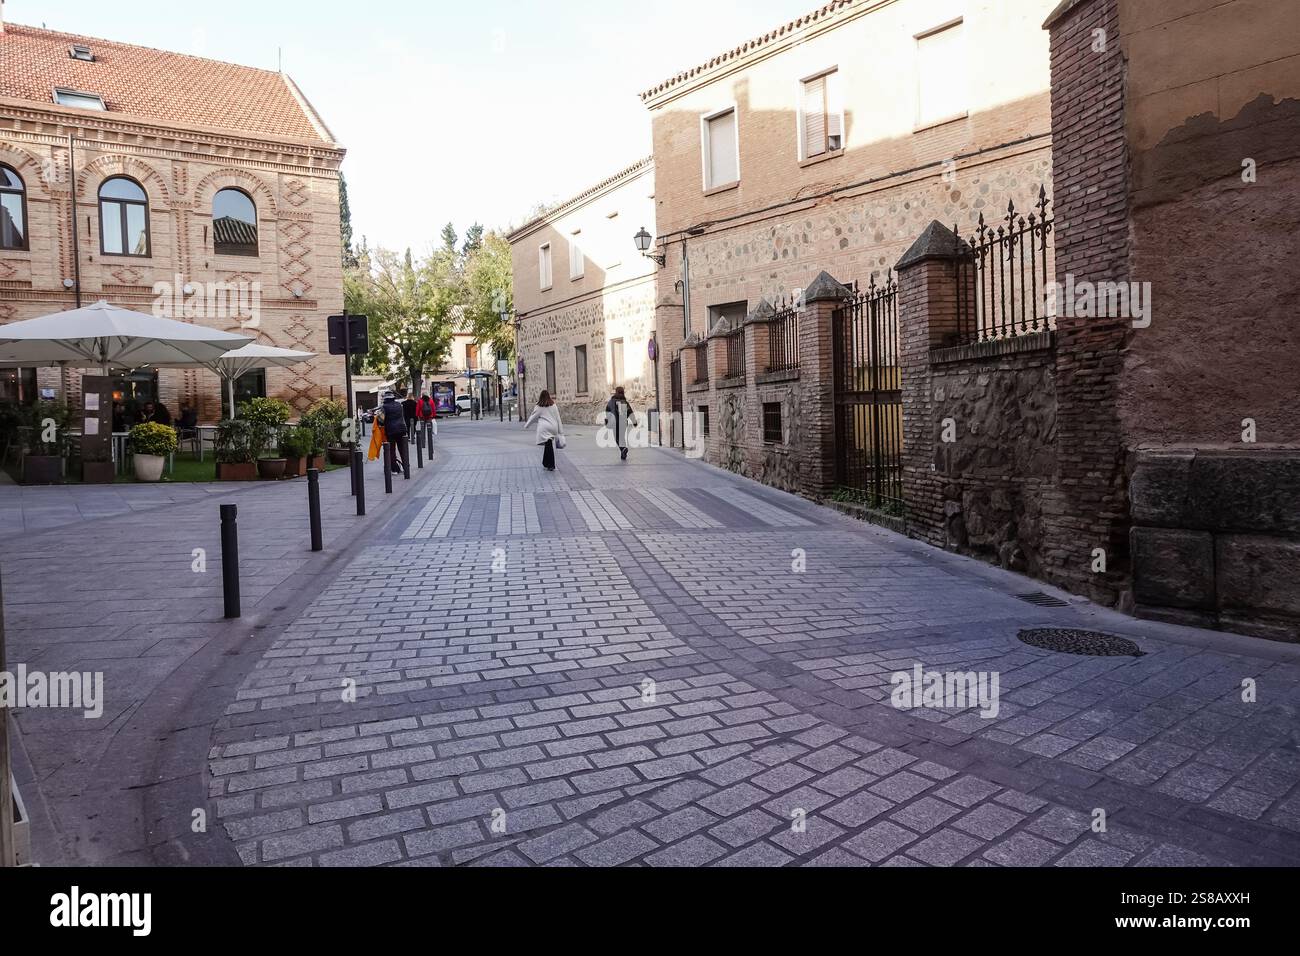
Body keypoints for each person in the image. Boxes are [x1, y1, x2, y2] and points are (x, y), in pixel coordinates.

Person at [524, 390, 564, 471]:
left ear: (541, 397)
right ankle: (545, 462)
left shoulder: (539, 406)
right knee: (548, 444)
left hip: (544, 428)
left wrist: (526, 425)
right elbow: (558, 418)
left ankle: (551, 464)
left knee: (548, 445)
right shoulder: (553, 405)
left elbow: (533, 417)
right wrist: (561, 431)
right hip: (553, 427)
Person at [376, 390, 407, 473]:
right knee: (403, 449)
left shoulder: (384, 407)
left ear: (385, 399)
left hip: (391, 431)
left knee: (391, 450)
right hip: (402, 429)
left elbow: (381, 420)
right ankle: (406, 466)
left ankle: (395, 469)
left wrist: (378, 419)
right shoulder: (399, 405)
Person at [605, 387, 638, 462]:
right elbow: (630, 412)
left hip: (615, 423)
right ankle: (623, 453)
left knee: (617, 438)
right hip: (623, 422)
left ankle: (623, 449)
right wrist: (634, 422)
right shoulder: (624, 402)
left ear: (616, 392)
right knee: (621, 437)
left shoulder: (611, 401)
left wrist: (608, 419)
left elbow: (607, 410)